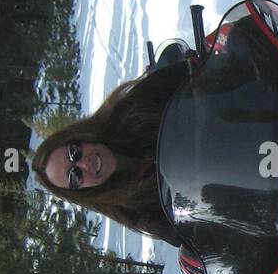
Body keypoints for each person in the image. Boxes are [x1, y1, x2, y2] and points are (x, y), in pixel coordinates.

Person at [31, 62, 190, 245]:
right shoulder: (139, 210)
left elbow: (195, 73)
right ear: (83, 191)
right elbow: (195, 240)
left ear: (81, 138)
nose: (84, 164)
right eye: (75, 176)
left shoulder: (134, 108)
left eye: (74, 153)